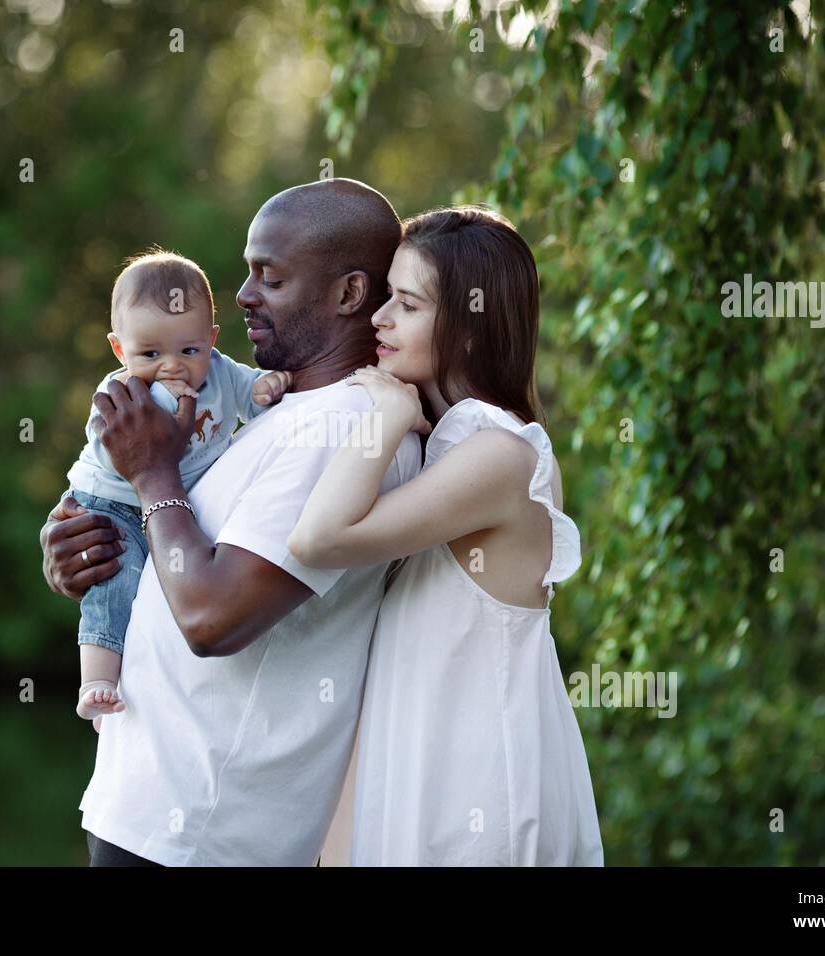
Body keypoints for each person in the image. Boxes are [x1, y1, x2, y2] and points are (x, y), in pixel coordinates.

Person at [39, 179, 422, 866]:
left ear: (349, 294)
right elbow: (180, 545)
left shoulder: (347, 430)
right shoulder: (276, 410)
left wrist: (152, 473)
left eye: (269, 278)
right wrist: (93, 550)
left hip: (205, 830)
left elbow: (212, 618)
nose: (242, 295)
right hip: (155, 808)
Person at [289, 206, 604, 865]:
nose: (379, 319)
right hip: (415, 793)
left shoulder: (500, 455)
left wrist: (388, 409)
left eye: (406, 304)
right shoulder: (439, 447)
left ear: (468, 329)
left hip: (473, 810)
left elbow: (317, 538)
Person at [60, 249, 290, 731]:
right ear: (120, 350)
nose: (172, 366)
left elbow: (254, 395)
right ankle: (97, 680)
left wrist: (269, 388)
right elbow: (115, 454)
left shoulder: (222, 372)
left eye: (189, 351)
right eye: (149, 354)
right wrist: (163, 417)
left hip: (167, 510)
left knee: (156, 591)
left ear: (210, 341)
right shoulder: (122, 394)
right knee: (114, 577)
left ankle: (134, 684)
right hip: (111, 503)